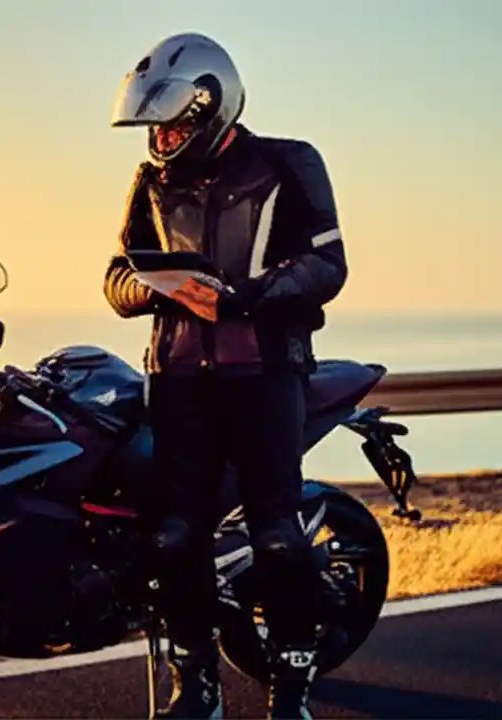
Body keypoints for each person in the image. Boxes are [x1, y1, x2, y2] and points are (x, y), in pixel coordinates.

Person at [104, 33, 348, 720]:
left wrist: (242, 298)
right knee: (174, 535)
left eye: (175, 120)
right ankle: (197, 689)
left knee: (275, 531)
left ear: (212, 104)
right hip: (179, 380)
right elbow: (116, 275)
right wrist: (157, 292)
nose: (162, 136)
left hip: (265, 376)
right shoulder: (152, 181)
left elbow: (328, 266)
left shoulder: (288, 163)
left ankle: (292, 689)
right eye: (155, 124)